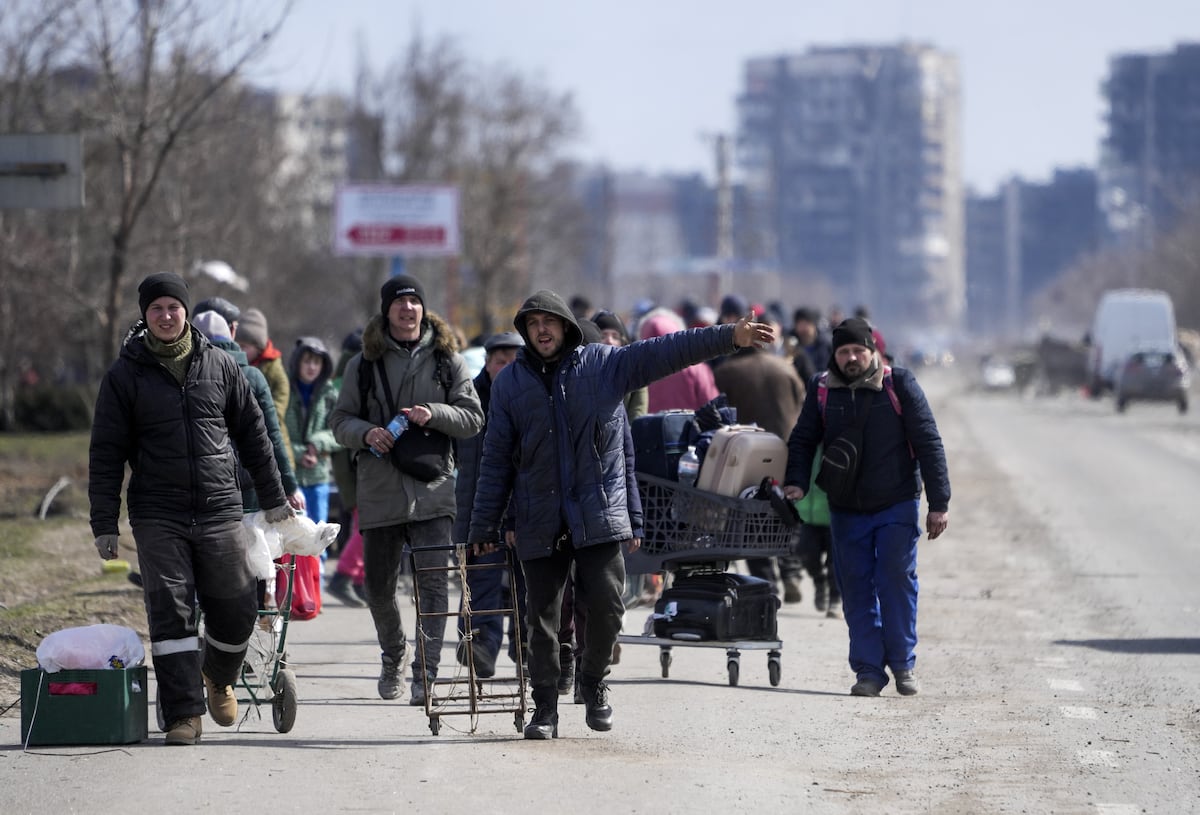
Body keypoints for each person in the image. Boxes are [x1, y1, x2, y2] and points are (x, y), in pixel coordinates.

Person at [469, 289, 774, 740]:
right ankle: (545, 707)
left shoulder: (605, 364)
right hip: (539, 513)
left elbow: (668, 349)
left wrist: (730, 336)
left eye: (548, 321)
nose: (541, 330)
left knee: (609, 606)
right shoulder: (510, 383)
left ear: (565, 325)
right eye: (532, 324)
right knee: (542, 621)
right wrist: (484, 523)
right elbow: (495, 457)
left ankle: (593, 681)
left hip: (598, 510)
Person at [89, 272, 294, 746]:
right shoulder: (124, 376)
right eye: (156, 308)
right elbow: (106, 453)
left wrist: (273, 497)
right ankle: (184, 714)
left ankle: (218, 677)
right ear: (145, 315)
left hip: (220, 509)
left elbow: (255, 435)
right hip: (157, 514)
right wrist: (104, 522)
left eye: (173, 307)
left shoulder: (220, 365)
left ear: (186, 312)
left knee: (238, 607)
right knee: (171, 611)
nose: (166, 316)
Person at [329, 275, 484, 706]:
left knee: (433, 587)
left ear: (423, 308)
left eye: (415, 301)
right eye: (400, 302)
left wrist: (433, 413)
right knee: (378, 589)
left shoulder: (447, 360)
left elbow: (473, 418)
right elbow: (339, 421)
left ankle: (425, 674)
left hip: (434, 489)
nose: (408, 308)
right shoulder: (362, 364)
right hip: (379, 491)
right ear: (387, 311)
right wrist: (367, 433)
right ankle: (394, 653)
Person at [782, 317, 949, 698]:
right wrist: (796, 481)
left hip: (897, 502)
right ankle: (869, 671)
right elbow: (803, 439)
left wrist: (939, 503)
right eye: (844, 352)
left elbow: (928, 441)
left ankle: (903, 663)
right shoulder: (822, 389)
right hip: (846, 508)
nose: (852, 358)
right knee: (856, 589)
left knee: (896, 580)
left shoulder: (899, 384)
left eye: (859, 350)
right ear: (835, 355)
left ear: (873, 351)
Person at [711, 329, 807, 603]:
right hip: (786, 449)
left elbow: (717, 414)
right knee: (787, 511)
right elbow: (802, 404)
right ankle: (790, 571)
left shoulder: (726, 372)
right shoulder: (785, 368)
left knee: (751, 518)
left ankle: (767, 583)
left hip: (749, 454)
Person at [452, 331, 526, 679]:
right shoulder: (470, 402)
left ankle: (527, 648)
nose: (507, 368)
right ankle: (481, 645)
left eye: (514, 362)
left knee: (529, 585)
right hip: (480, 510)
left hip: (526, 510)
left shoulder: (533, 397)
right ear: (488, 363)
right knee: (481, 578)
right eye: (500, 362)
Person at [283, 336, 342, 619]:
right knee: (292, 533)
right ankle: (291, 592)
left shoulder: (329, 393)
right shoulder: (286, 389)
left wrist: (317, 444)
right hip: (292, 475)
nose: (311, 367)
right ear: (297, 363)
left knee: (320, 532)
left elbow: (338, 430)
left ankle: (314, 593)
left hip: (318, 474)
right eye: (307, 361)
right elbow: (277, 429)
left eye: (317, 362)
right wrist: (297, 453)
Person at [326, 329, 369, 607]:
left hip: (348, 468)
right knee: (364, 526)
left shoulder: (340, 382)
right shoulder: (350, 384)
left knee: (364, 524)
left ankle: (360, 581)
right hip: (352, 467)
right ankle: (343, 576)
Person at [238, 307, 294, 469]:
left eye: (245, 346)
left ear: (258, 347)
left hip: (273, 442)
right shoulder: (237, 367)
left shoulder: (275, 371)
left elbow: (278, 408)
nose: (240, 350)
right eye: (238, 345)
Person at [635, 307, 719, 412]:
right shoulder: (697, 369)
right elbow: (713, 408)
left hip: (644, 423)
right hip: (690, 422)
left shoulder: (634, 372)